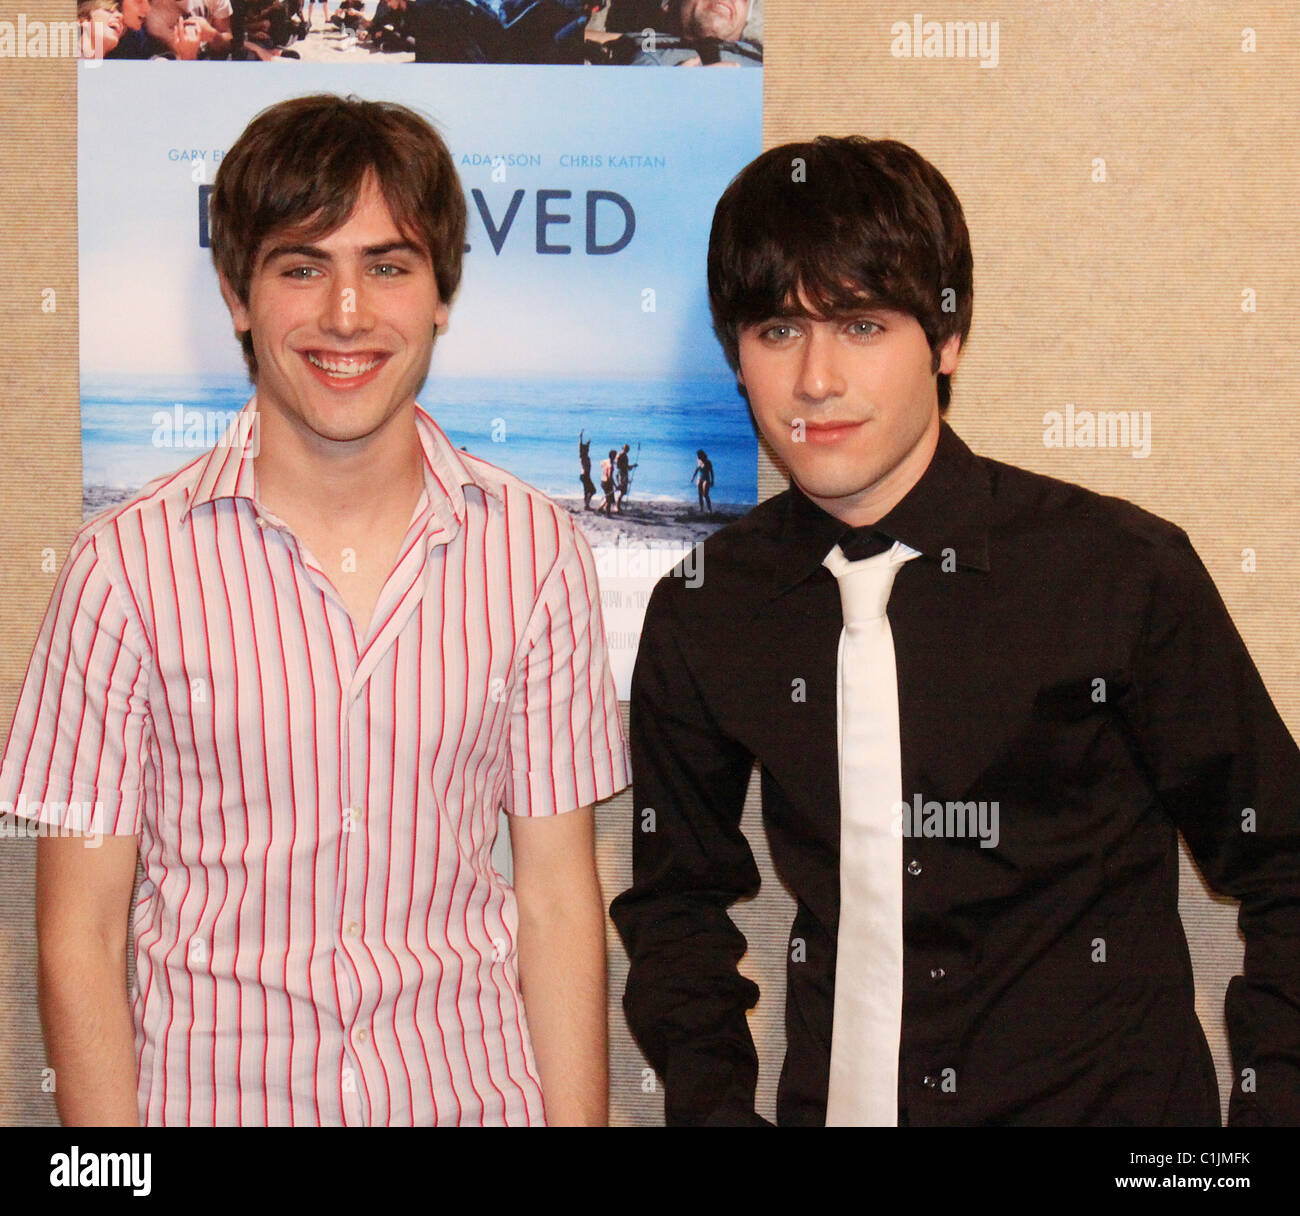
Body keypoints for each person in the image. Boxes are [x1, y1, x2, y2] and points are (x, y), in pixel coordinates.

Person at [610, 135, 1300, 1126]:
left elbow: (1281, 856)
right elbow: (674, 902)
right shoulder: (708, 605)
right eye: (775, 330)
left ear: (945, 339)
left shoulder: (1115, 571)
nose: (813, 380)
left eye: (859, 324)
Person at [0, 95, 628, 1127]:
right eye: (302, 266)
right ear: (238, 296)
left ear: (440, 295)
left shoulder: (534, 551)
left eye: (388, 265)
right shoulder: (124, 569)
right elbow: (78, 934)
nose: (347, 313)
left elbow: (558, 900)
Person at [615, 443, 637, 510]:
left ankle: (617, 505)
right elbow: (619, 466)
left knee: (623, 491)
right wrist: (630, 467)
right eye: (626, 448)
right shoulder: (621, 455)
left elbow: (626, 467)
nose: (627, 450)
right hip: (622, 474)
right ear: (623, 448)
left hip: (623, 473)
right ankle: (617, 506)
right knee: (622, 490)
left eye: (627, 449)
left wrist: (632, 466)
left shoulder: (623, 455)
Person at [578, 429, 597, 510]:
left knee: (587, 490)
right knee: (592, 490)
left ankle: (586, 505)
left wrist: (589, 441)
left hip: (585, 475)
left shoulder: (585, 456)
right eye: (587, 449)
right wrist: (581, 436)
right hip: (585, 475)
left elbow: (586, 445)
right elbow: (580, 445)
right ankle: (586, 505)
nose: (588, 450)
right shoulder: (582, 456)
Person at [690, 447, 713, 513]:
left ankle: (709, 509)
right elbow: (697, 469)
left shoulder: (708, 462)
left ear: (702, 455)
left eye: (699, 456)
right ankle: (701, 508)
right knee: (700, 494)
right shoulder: (698, 460)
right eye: (697, 456)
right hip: (699, 478)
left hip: (706, 479)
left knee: (705, 495)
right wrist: (693, 477)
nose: (698, 457)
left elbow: (711, 471)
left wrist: (712, 480)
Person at [599, 448, 617, 514]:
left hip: (602, 481)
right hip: (607, 483)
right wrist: (615, 485)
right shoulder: (611, 466)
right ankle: (608, 513)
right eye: (615, 455)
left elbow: (601, 463)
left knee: (608, 497)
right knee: (609, 499)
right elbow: (610, 477)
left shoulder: (605, 461)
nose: (616, 457)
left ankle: (600, 508)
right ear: (613, 456)